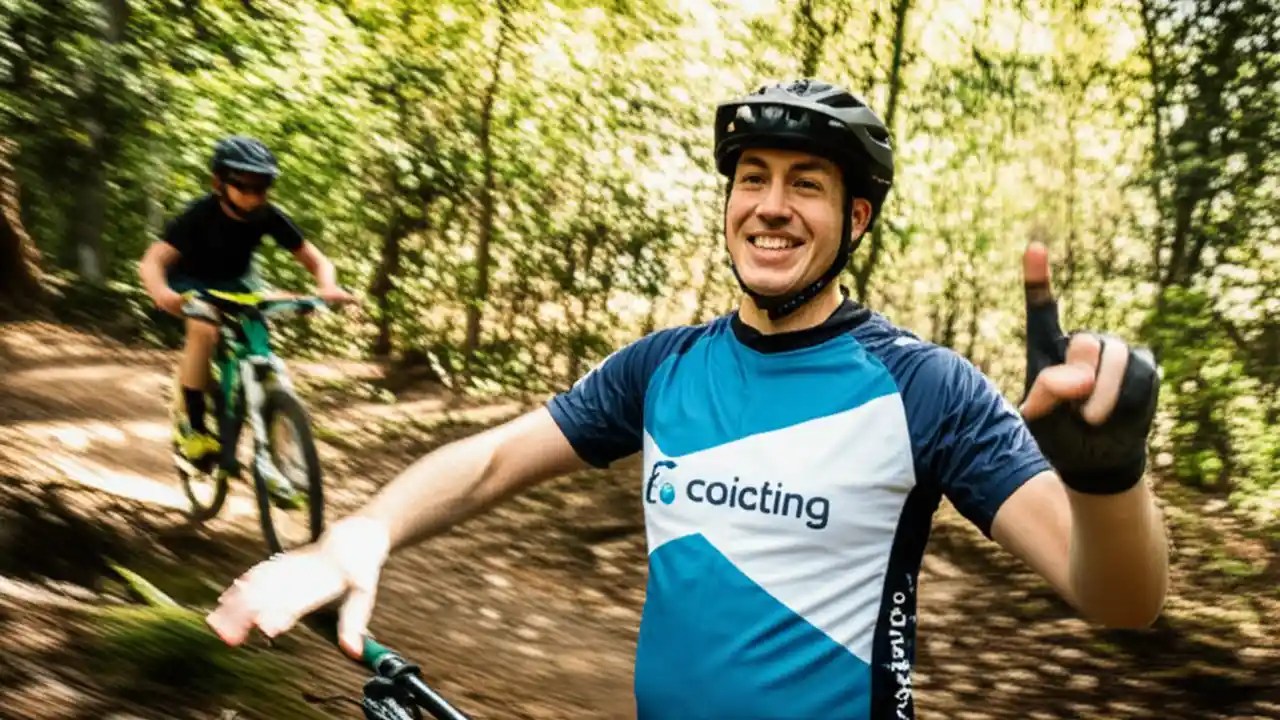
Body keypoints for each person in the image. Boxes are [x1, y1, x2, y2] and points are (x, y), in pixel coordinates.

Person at [206, 81, 1169, 719]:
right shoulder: (663, 367)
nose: (771, 205)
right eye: (752, 179)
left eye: (807, 184)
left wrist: (1109, 479)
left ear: (855, 218)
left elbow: (1117, 598)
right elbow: (494, 459)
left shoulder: (924, 388)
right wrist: (357, 537)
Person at [138, 136, 354, 464]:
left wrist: (327, 287)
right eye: (244, 186)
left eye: (262, 187)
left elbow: (317, 260)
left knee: (270, 319)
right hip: (193, 283)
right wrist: (162, 293)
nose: (254, 196)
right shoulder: (200, 214)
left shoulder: (268, 216)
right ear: (218, 183)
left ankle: (276, 429)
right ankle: (194, 429)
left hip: (239, 284)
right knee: (203, 327)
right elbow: (153, 260)